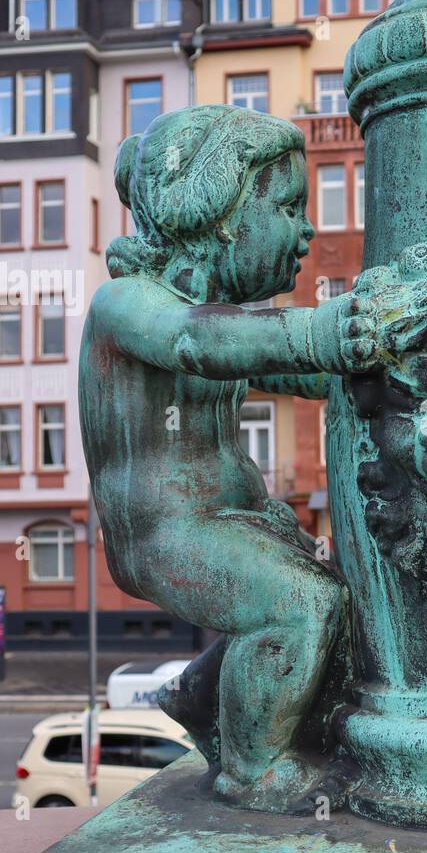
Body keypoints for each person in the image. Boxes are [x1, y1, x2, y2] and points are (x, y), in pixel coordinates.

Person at [81, 105, 369, 812]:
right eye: (288, 207)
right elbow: (196, 345)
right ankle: (253, 769)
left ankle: (197, 691)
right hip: (164, 535)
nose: (305, 232)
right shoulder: (128, 305)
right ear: (220, 214)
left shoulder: (221, 319)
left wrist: (372, 356)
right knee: (300, 605)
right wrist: (327, 330)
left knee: (348, 603)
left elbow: (291, 370)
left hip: (236, 519)